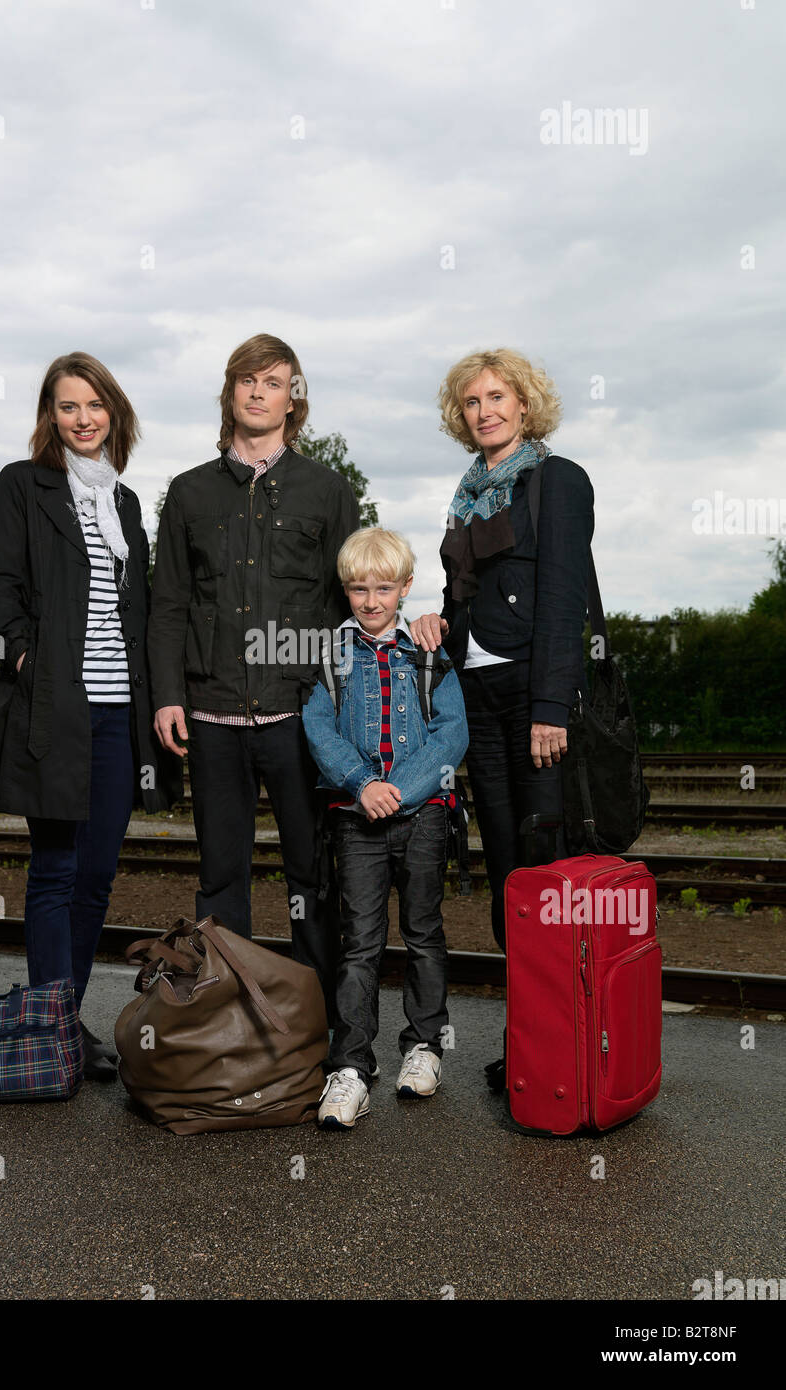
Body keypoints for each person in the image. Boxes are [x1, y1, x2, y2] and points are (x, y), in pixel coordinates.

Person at [0, 352, 182, 1080]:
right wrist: (27, 663)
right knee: (55, 869)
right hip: (55, 707)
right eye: (68, 406)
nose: (83, 419)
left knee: (96, 875)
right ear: (49, 416)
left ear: (114, 415)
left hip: (120, 712)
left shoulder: (124, 504)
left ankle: (61, 1023)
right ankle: (52, 1027)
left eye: (95, 406)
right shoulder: (23, 487)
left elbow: (140, 611)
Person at [149, 334, 359, 1003]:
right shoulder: (188, 494)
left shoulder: (329, 492)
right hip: (210, 714)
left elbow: (343, 611)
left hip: (301, 716)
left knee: (311, 873)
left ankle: (320, 1024)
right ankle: (227, 1014)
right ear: (230, 393)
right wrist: (167, 696)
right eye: (247, 380)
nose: (258, 391)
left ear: (293, 399)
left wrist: (340, 708)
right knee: (221, 876)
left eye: (274, 382)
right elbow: (169, 603)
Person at [410, 348, 594, 1090]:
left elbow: (561, 600)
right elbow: (466, 598)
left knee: (548, 872)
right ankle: (531, 1043)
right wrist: (436, 622)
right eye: (471, 402)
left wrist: (551, 707)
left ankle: (569, 1049)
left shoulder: (556, 481)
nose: (484, 410)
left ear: (524, 404)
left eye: (497, 397)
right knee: (508, 878)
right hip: (476, 699)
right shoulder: (465, 496)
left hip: (530, 697)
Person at [302, 528, 469, 1128]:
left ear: (404, 587)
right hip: (356, 819)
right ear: (344, 591)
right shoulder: (331, 655)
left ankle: (424, 1047)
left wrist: (403, 790)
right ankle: (350, 1066)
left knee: (423, 932)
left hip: (423, 818)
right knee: (360, 943)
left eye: (383, 588)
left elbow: (454, 731)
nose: (371, 601)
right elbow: (318, 728)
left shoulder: (426, 652)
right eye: (357, 589)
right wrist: (360, 783)